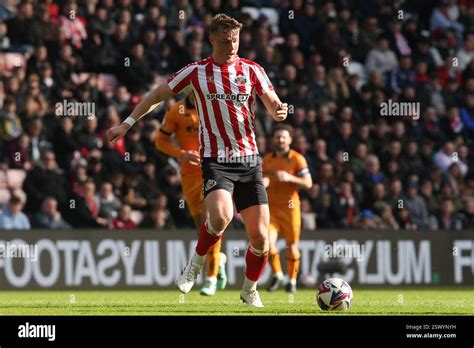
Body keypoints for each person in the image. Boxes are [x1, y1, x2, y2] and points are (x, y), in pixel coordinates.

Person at [107, 13, 288, 307]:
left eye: (236, 40)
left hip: (249, 160)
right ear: (212, 39)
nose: (232, 46)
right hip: (215, 159)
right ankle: (196, 263)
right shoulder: (196, 72)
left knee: (260, 239)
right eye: (226, 40)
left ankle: (249, 290)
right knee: (220, 217)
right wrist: (127, 123)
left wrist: (280, 110)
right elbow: (157, 95)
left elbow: (272, 101)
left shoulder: (253, 70)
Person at [155, 94, 228, 296]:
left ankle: (210, 278)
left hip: (214, 171)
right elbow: (160, 141)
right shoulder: (176, 111)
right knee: (203, 230)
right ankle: (218, 260)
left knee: (211, 221)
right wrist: (182, 154)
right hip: (189, 175)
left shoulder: (216, 107)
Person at [262, 125, 312, 293]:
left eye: (284, 137)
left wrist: (290, 177)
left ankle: (292, 280)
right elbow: (264, 179)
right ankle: (278, 274)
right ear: (273, 140)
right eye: (278, 137)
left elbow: (308, 183)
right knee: (267, 244)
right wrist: (264, 182)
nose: (281, 140)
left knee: (291, 246)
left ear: (290, 140)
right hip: (271, 210)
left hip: (291, 209)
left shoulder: (297, 159)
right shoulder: (267, 159)